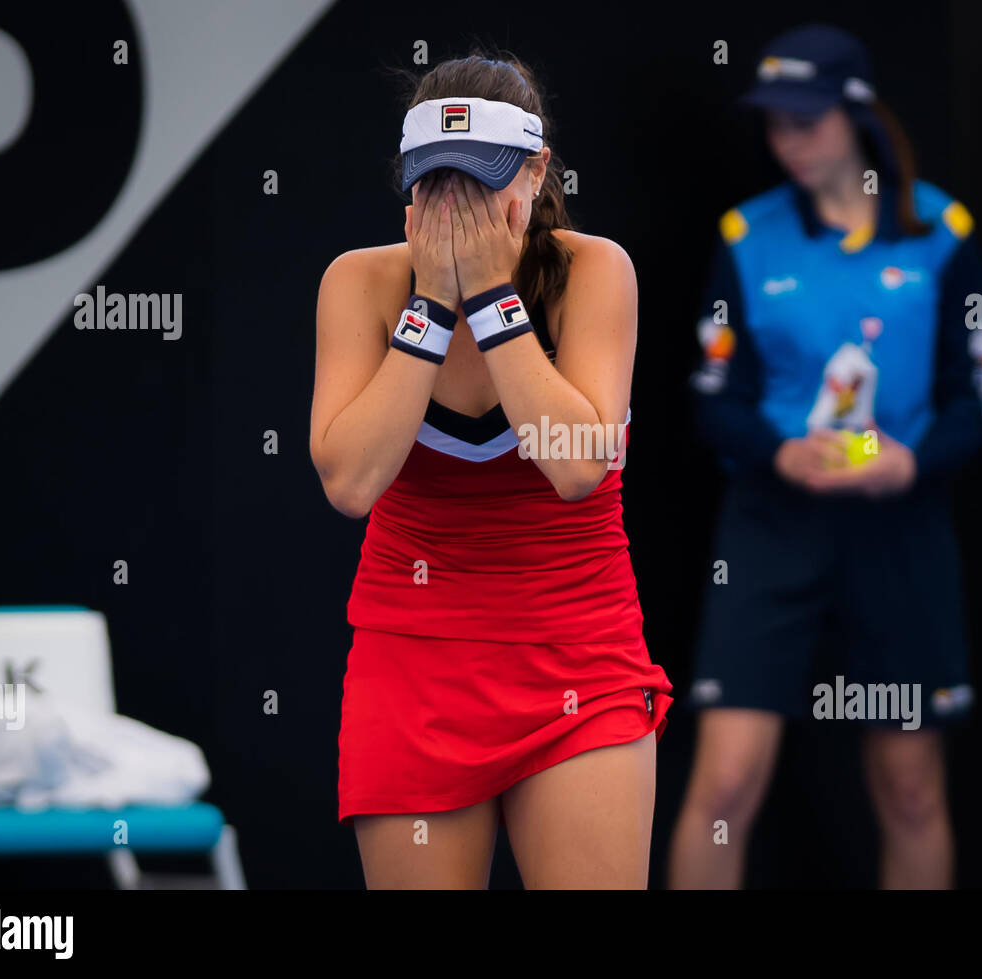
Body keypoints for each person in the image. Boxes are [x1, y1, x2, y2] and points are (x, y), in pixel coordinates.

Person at [309, 52, 673, 889]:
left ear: (537, 171)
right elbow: (351, 483)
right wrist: (432, 310)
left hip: (578, 649)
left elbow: (577, 468)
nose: (456, 211)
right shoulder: (358, 284)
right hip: (415, 656)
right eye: (435, 185)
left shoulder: (595, 271)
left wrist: (495, 301)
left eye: (479, 185)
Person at [668, 24, 982, 889]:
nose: (788, 139)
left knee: (910, 789)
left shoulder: (941, 230)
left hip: (899, 523)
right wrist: (781, 454)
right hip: (774, 522)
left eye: (806, 120)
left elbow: (980, 404)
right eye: (774, 122)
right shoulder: (747, 235)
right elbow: (714, 398)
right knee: (724, 783)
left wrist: (906, 463)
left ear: (856, 115)